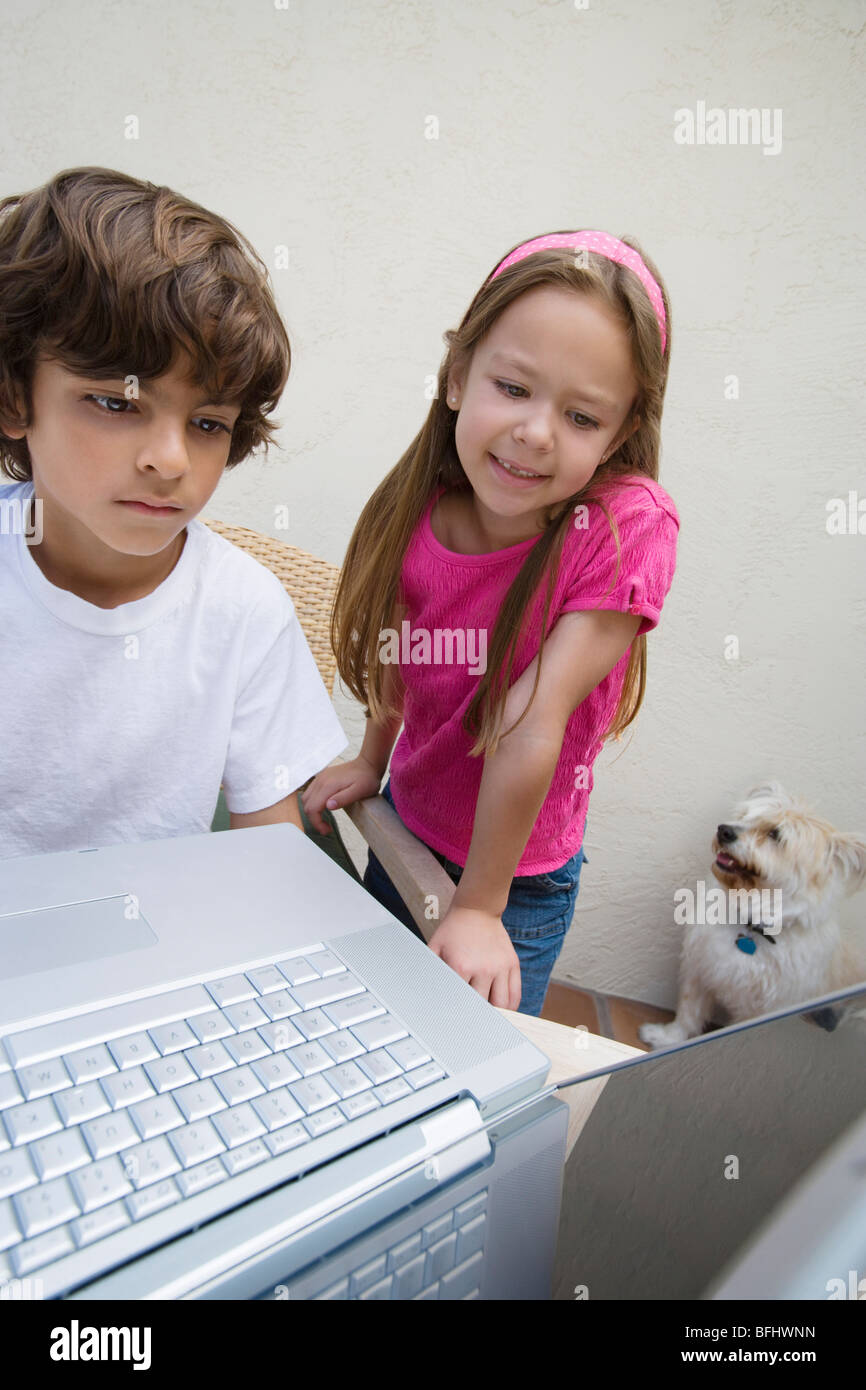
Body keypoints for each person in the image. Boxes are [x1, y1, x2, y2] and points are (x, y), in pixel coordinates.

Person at [303, 230, 679, 1016]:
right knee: (377, 1019)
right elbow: (401, 659)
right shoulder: (418, 514)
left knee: (465, 1061)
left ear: (620, 434)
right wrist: (373, 759)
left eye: (581, 416)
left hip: (517, 884)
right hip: (410, 826)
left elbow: (528, 719)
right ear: (455, 377)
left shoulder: (623, 531)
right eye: (513, 389)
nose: (537, 432)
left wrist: (478, 908)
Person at [0, 166, 347, 860]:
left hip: (160, 948)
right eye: (117, 403)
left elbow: (267, 862)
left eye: (208, 423)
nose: (171, 460)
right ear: (15, 399)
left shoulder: (245, 610)